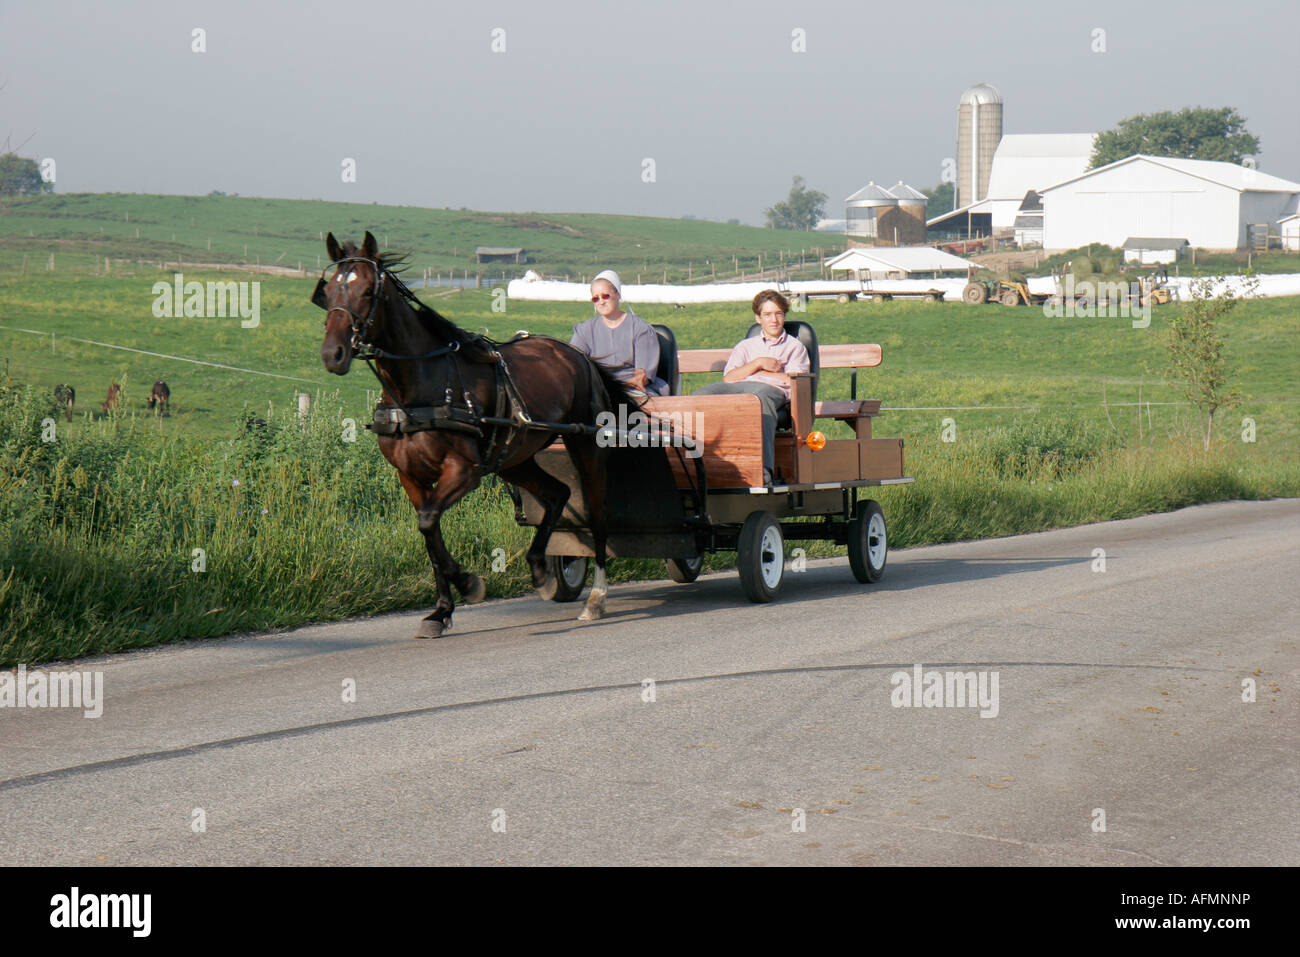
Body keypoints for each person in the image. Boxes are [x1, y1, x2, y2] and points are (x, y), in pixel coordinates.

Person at [693, 289, 810, 485]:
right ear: (758, 318)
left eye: (778, 314)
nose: (773, 320)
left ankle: (763, 471)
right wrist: (758, 363)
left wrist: (758, 374)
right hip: (740, 387)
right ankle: (699, 465)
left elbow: (793, 381)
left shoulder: (794, 347)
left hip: (773, 393)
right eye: (767, 315)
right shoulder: (746, 346)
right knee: (700, 395)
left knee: (758, 400)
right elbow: (729, 377)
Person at [570, 270, 668, 397]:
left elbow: (641, 377)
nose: (601, 301)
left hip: (634, 389)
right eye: (596, 298)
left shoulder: (640, 328)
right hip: (597, 388)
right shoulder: (584, 330)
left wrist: (614, 390)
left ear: (618, 294)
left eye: (605, 296)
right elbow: (573, 364)